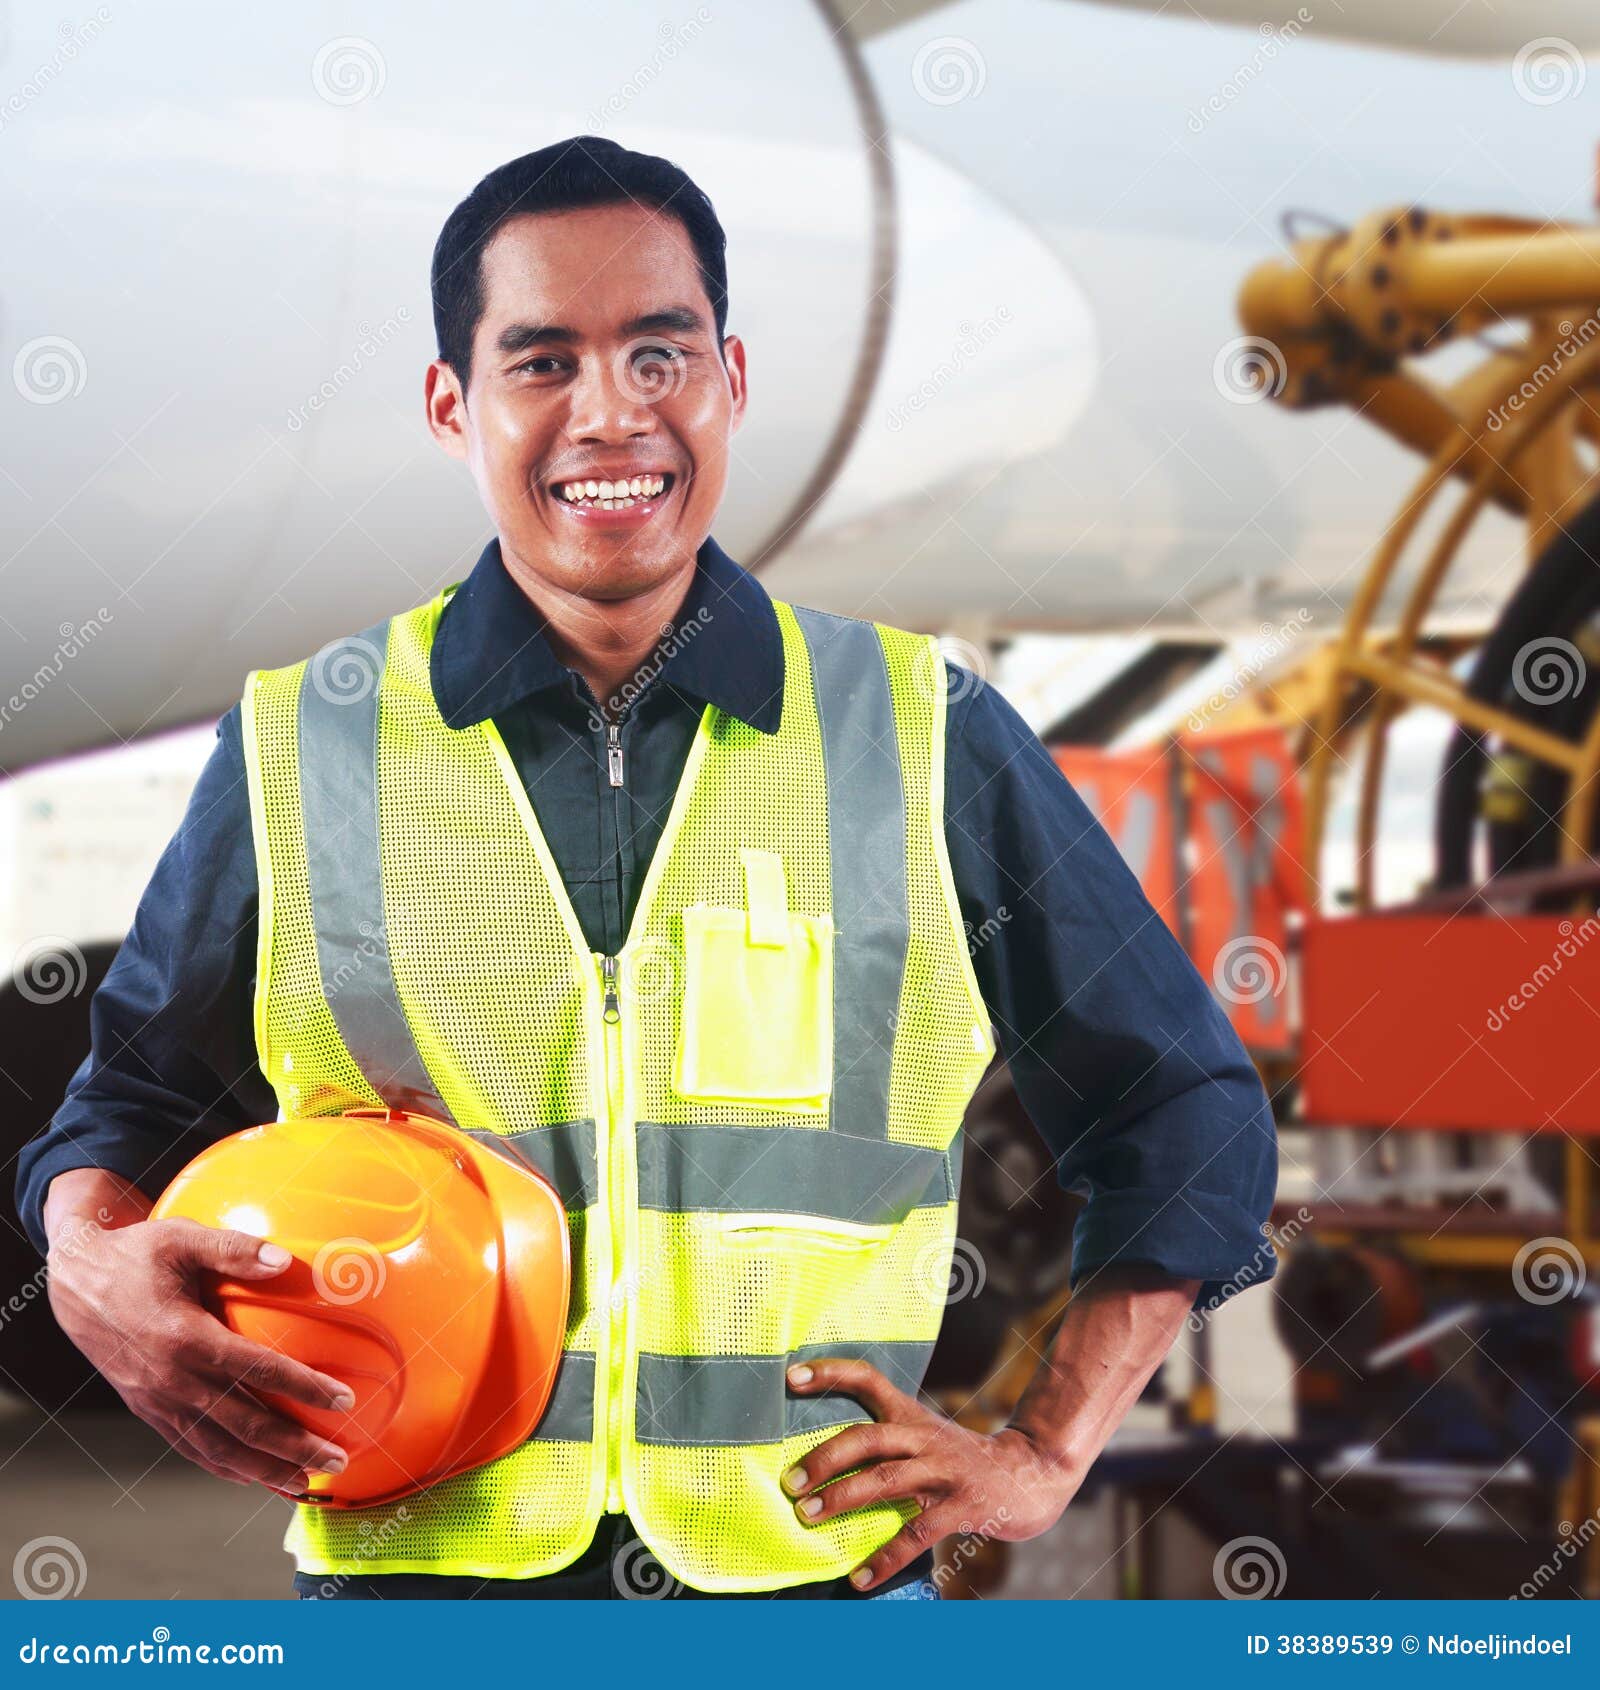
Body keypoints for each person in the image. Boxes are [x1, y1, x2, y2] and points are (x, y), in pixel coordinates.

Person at [16, 136, 1278, 1601]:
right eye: (542, 362)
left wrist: (1044, 1449)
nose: (610, 415)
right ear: (455, 404)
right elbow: (126, 1102)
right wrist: (85, 1260)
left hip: (810, 1591)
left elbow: (1179, 1103)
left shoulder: (925, 733)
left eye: (659, 356)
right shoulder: (311, 740)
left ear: (730, 380)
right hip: (416, 1584)